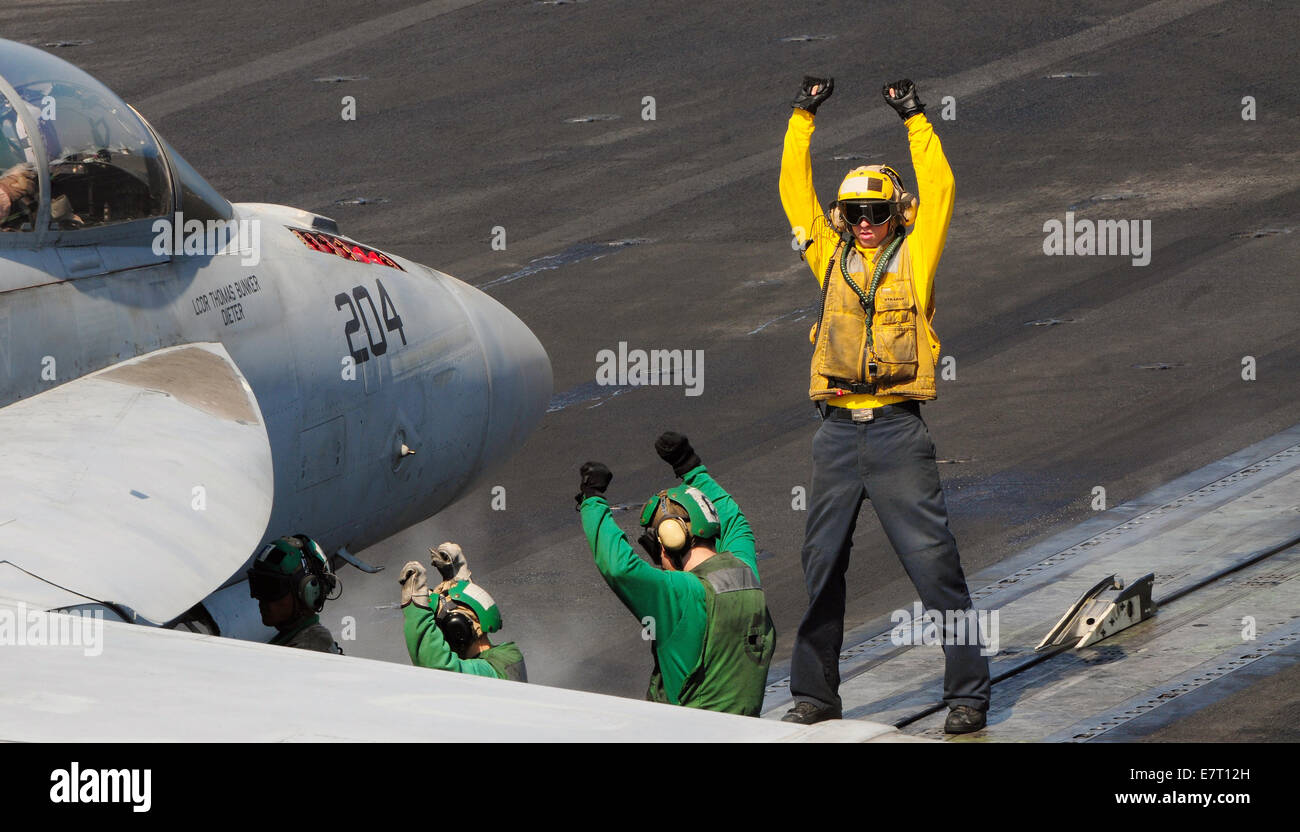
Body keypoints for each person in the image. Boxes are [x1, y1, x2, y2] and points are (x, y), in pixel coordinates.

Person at [778, 75, 991, 733]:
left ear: (897, 213)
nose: (866, 224)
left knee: (936, 569)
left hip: (898, 433)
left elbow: (944, 186)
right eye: (855, 214)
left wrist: (915, 118)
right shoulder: (826, 255)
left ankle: (968, 696)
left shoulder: (916, 254)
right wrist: (802, 116)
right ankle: (815, 696)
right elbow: (792, 189)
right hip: (837, 436)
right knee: (821, 570)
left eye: (876, 213)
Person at [575, 432, 776, 716]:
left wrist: (592, 500)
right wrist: (690, 467)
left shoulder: (681, 595)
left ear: (671, 540)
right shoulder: (745, 573)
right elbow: (732, 519)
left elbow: (620, 567)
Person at [398, 542, 527, 681]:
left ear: (456, 631)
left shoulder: (493, 670)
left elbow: (439, 667)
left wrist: (416, 609)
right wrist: (461, 583)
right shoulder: (505, 658)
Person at [247, 534, 343, 654]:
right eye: (257, 586)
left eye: (271, 588)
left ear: (308, 593)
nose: (259, 598)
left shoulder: (309, 651)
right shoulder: (293, 641)